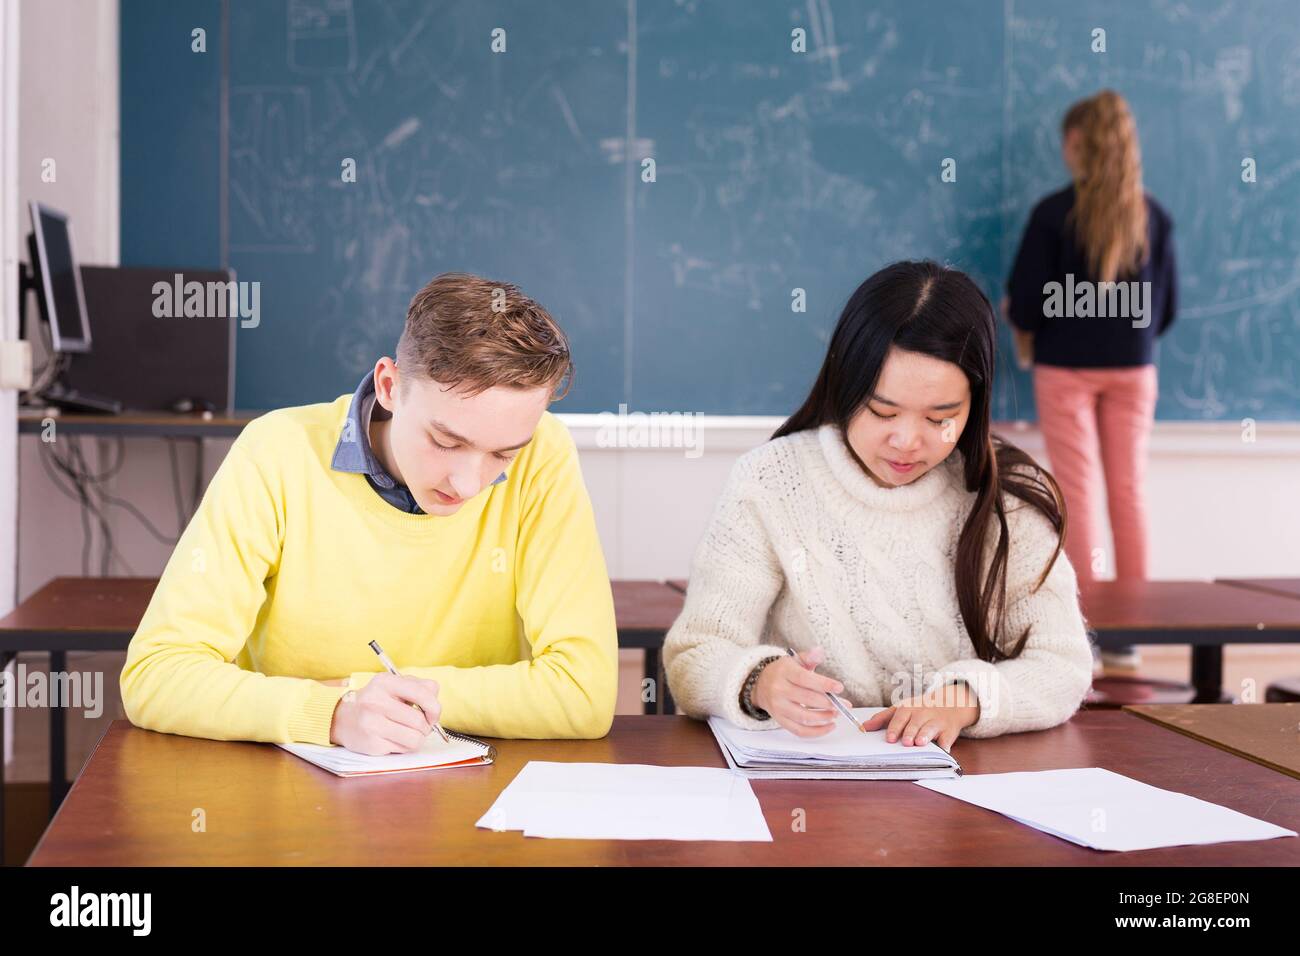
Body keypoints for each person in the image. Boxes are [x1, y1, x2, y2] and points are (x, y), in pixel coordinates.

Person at [122, 273, 618, 753]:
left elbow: (584, 694)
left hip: (476, 797)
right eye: (446, 441)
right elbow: (158, 674)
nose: (468, 484)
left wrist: (359, 690)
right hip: (297, 799)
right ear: (388, 386)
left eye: (502, 455)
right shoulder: (277, 450)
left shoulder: (544, 453)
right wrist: (333, 713)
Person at [664, 260, 1093, 749]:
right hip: (809, 788)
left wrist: (964, 699)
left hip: (961, 792)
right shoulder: (770, 481)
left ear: (975, 403)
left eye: (940, 418)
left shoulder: (1005, 497)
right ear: (845, 386)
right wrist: (758, 680)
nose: (907, 441)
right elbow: (695, 654)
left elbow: (1062, 664)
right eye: (882, 411)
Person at [1006, 89, 1178, 673]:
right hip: (1134, 367)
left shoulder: (1053, 214)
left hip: (1067, 370)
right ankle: (1134, 631)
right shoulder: (1153, 216)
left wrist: (1021, 317)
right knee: (1128, 490)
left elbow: (1027, 303)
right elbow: (1168, 309)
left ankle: (1090, 629)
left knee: (1075, 493)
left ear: (1076, 142)